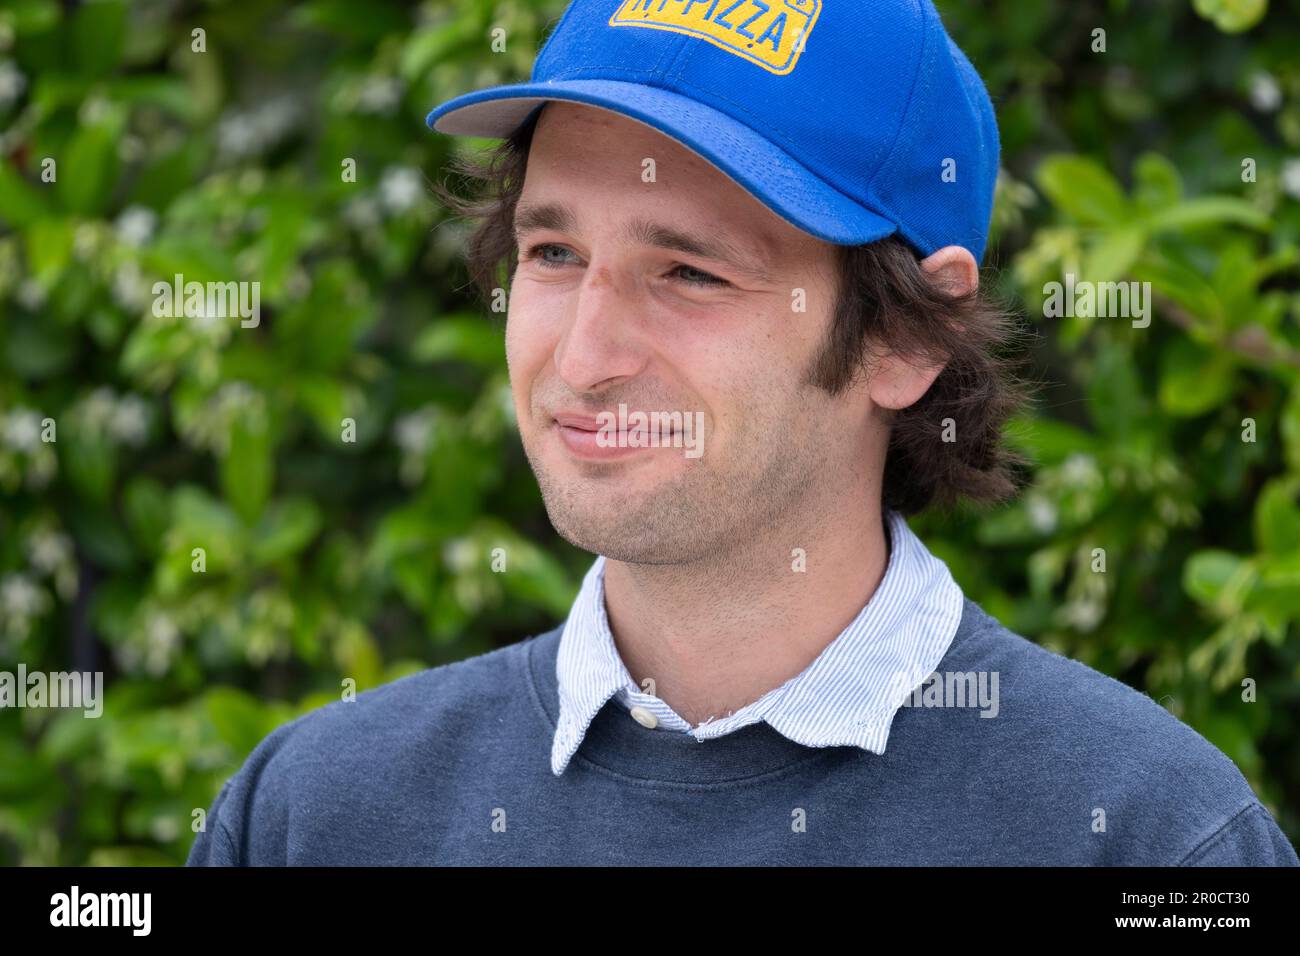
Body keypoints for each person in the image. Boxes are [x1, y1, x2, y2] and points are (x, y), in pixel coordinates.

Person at [188, 0, 1298, 865]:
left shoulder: (1149, 837)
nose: (581, 358)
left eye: (687, 271)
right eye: (554, 253)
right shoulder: (312, 814)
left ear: (905, 339)